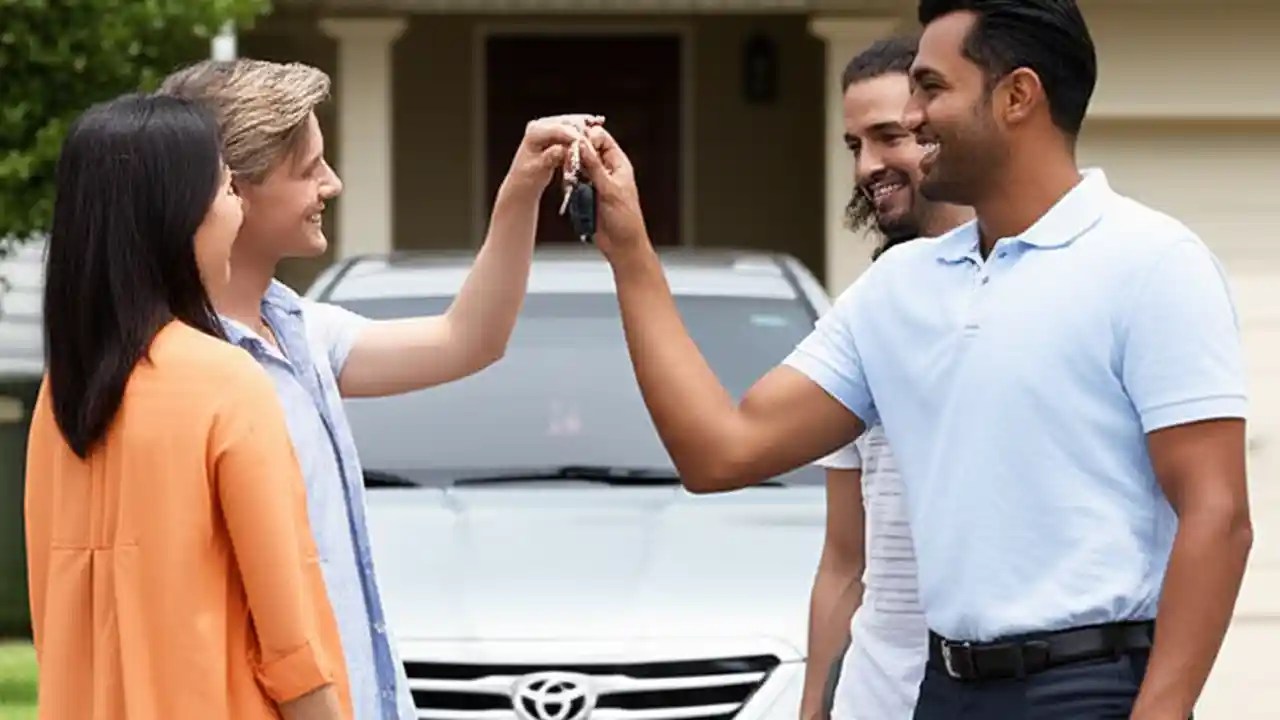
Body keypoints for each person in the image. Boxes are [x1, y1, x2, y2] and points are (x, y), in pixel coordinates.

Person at [575, 0, 1251, 716]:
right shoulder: (897, 289)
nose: (916, 114)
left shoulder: (1151, 261)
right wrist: (630, 251)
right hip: (940, 690)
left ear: (1018, 96)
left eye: (932, 87)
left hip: (1086, 690)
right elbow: (721, 452)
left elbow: (1218, 514)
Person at [158, 58, 598, 719]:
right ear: (231, 189)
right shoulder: (178, 370)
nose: (331, 185)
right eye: (308, 170)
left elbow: (470, 340)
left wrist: (519, 193)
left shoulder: (302, 331)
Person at [25, 93, 350, 720]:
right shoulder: (224, 380)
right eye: (228, 188)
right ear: (180, 213)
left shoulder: (60, 392)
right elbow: (290, 638)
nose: (236, 207)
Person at [799, 35, 973, 720]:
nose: (868, 166)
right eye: (853, 146)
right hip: (876, 700)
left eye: (888, 136)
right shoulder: (861, 313)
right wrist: (815, 706)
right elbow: (845, 560)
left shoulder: (1036, 290)